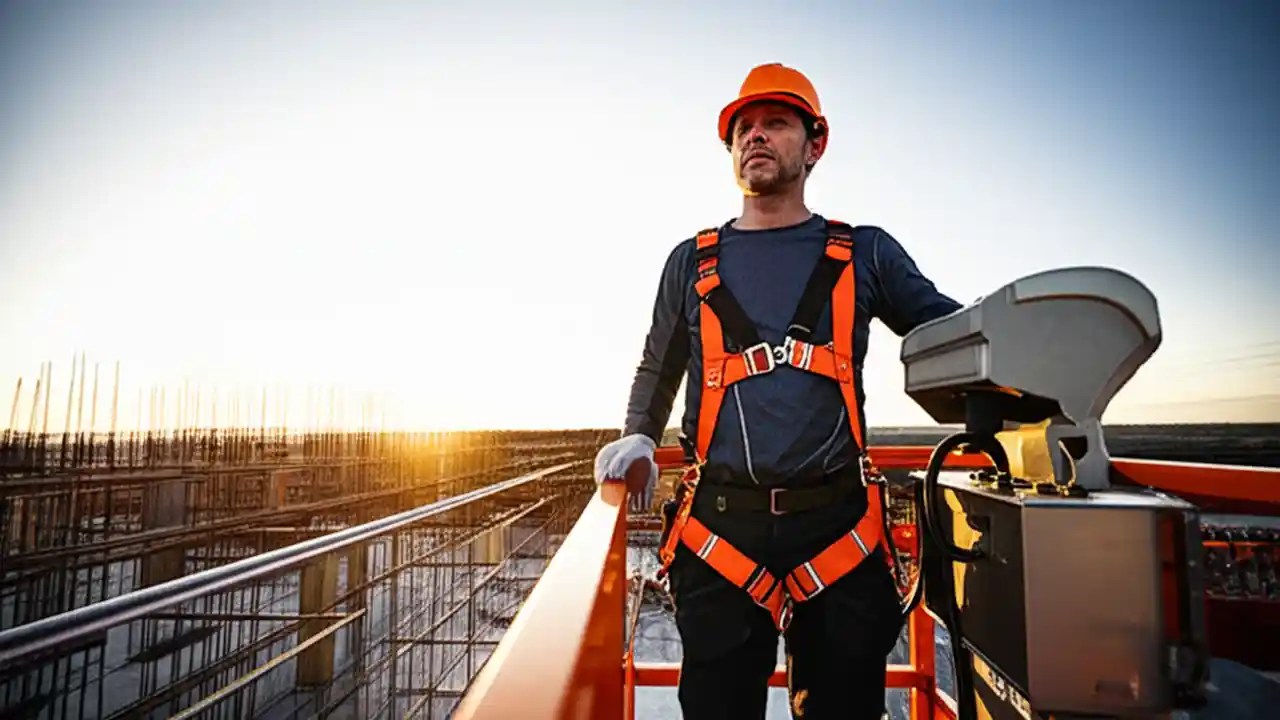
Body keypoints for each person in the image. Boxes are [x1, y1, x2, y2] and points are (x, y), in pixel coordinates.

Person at [593, 63, 962, 720]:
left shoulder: (865, 254)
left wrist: (1025, 334)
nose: (755, 136)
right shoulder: (691, 261)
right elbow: (658, 364)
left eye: (776, 123)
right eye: (744, 128)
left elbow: (950, 335)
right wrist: (638, 433)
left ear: (814, 144)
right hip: (720, 529)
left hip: (839, 527)